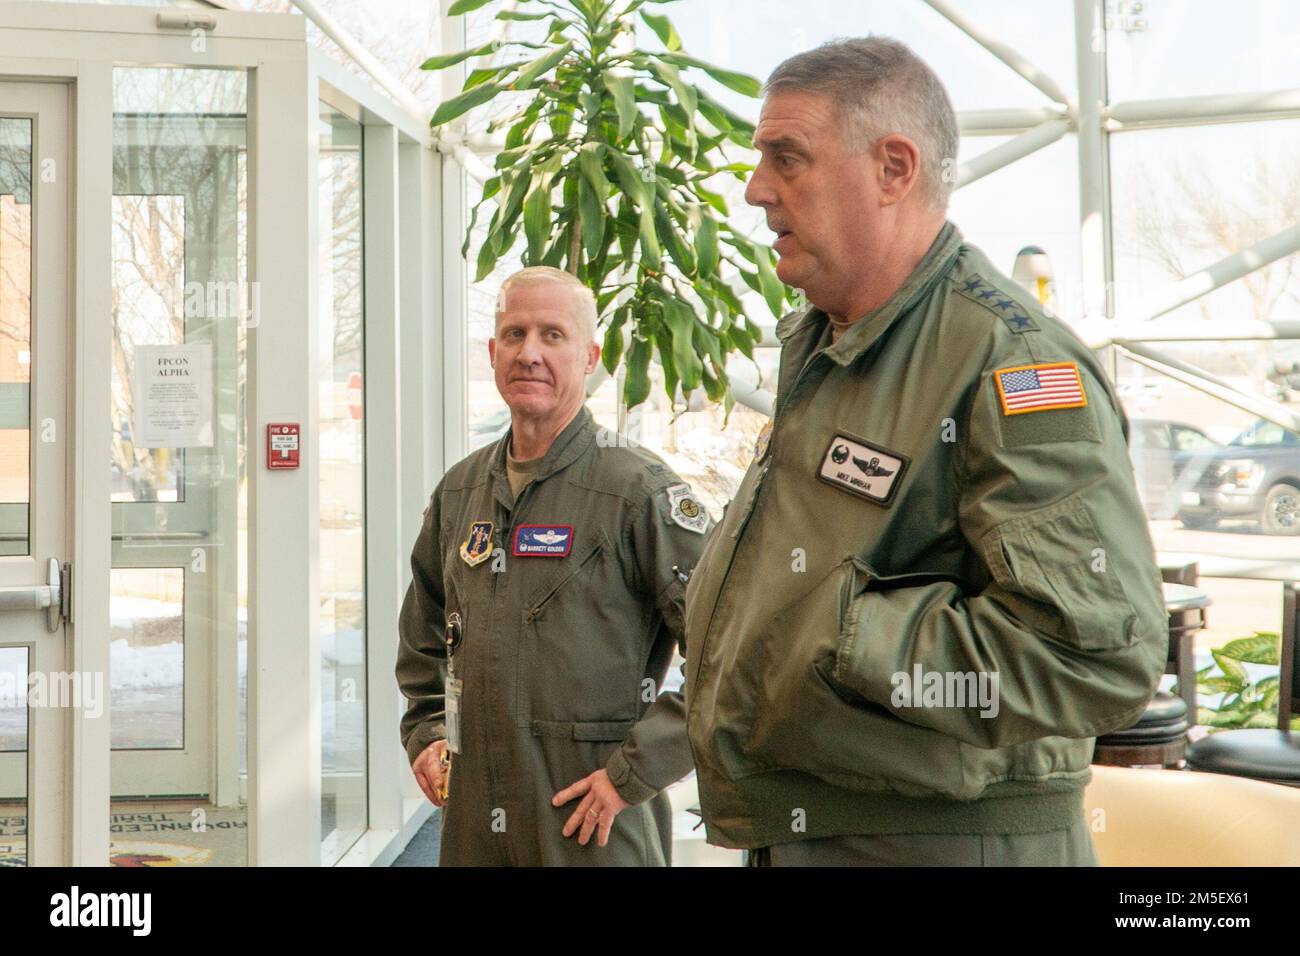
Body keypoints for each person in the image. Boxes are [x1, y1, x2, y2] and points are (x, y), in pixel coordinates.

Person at [683, 37, 1168, 866]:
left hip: (935, 844)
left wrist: (840, 641)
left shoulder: (1013, 361)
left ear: (894, 168)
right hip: (824, 824)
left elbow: (1096, 655)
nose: (756, 190)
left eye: (786, 159)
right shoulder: (834, 343)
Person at [397, 266, 708, 866]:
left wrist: (634, 773)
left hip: (590, 827)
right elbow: (424, 638)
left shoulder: (638, 494)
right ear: (492, 353)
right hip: (473, 830)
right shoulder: (460, 494)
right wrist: (428, 732)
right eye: (514, 335)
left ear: (590, 355)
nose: (529, 353)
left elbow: (733, 651)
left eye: (552, 335)